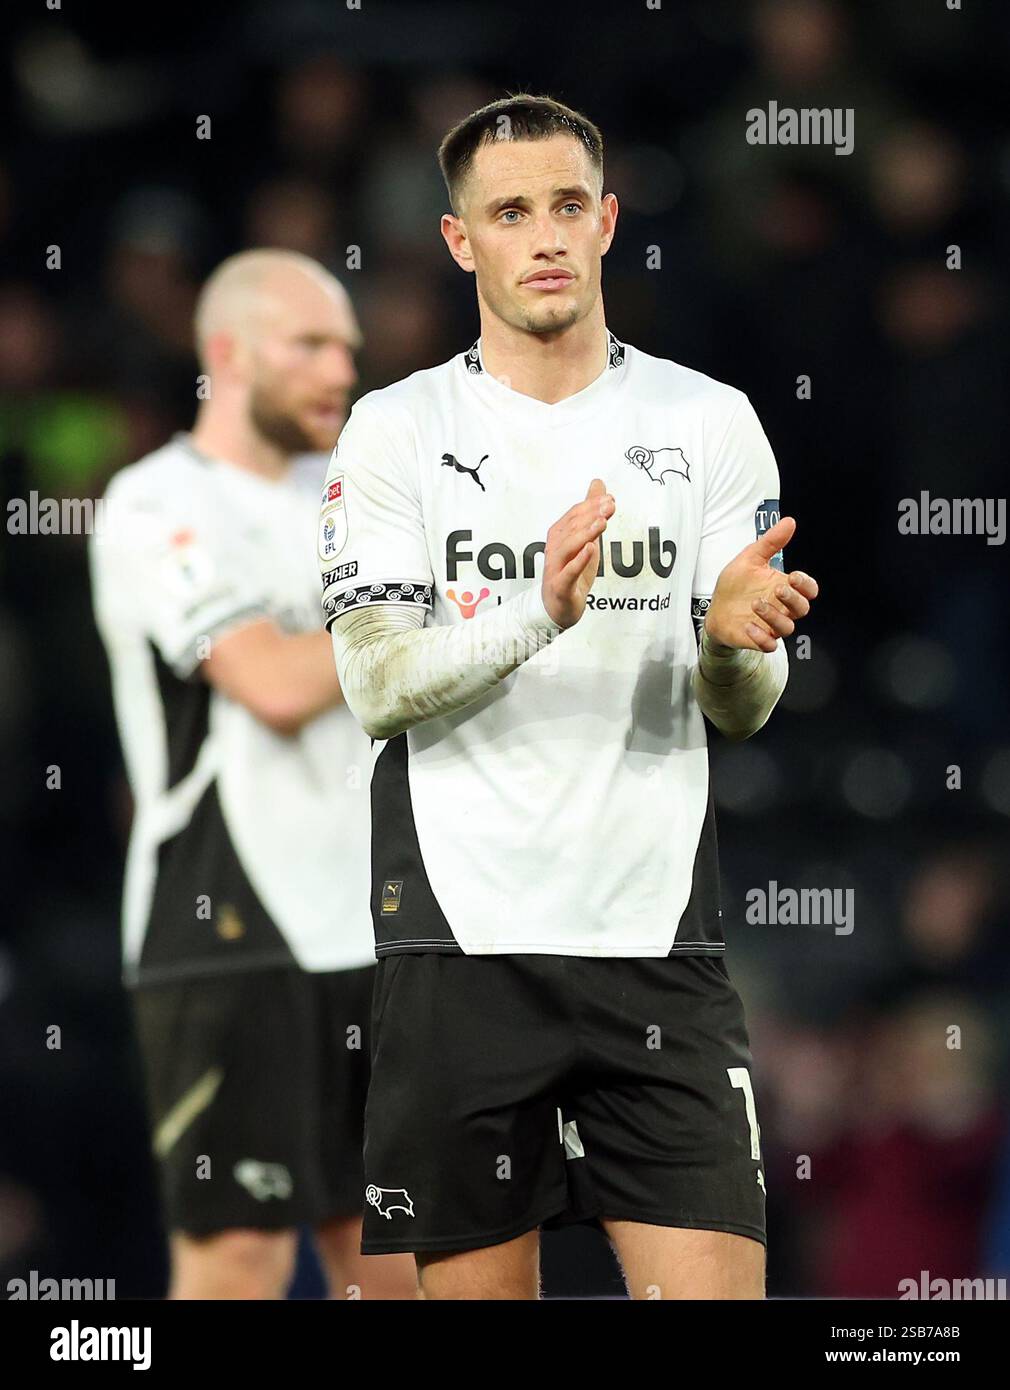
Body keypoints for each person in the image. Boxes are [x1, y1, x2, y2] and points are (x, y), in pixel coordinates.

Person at [320, 95, 819, 1300]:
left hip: (657, 949)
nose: (541, 235)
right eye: (507, 213)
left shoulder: (706, 422)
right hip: (461, 954)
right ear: (458, 242)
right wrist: (536, 611)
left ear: (604, 222)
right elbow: (375, 685)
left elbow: (742, 701)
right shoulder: (394, 430)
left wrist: (730, 645)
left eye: (563, 206)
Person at [90, 249, 415, 1300]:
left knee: (394, 1263)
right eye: (310, 345)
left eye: (348, 349)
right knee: (238, 1258)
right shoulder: (154, 503)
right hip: (224, 922)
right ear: (227, 353)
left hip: (373, 918)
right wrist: (422, 626)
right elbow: (270, 682)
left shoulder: (362, 498)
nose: (341, 371)